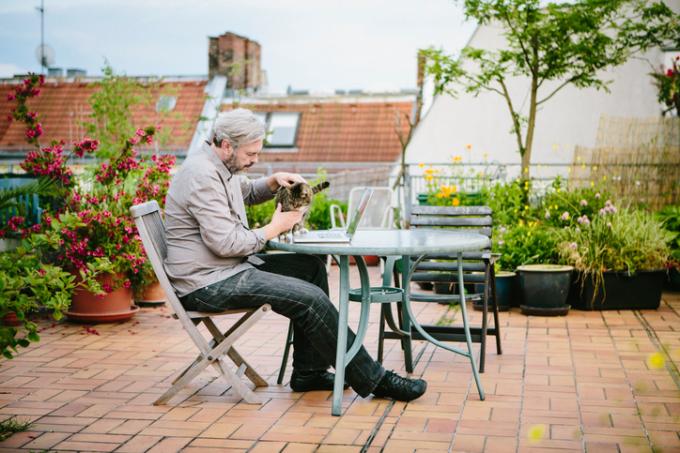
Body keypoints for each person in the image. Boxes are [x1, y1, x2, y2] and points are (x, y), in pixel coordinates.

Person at [163, 108, 426, 401]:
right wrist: (275, 227)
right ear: (227, 145)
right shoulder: (202, 175)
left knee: (310, 267)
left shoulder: (221, 167)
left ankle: (309, 372)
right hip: (207, 283)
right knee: (308, 298)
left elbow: (247, 193)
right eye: (251, 154)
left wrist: (274, 181)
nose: (255, 160)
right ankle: (375, 380)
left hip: (223, 270)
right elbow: (226, 243)